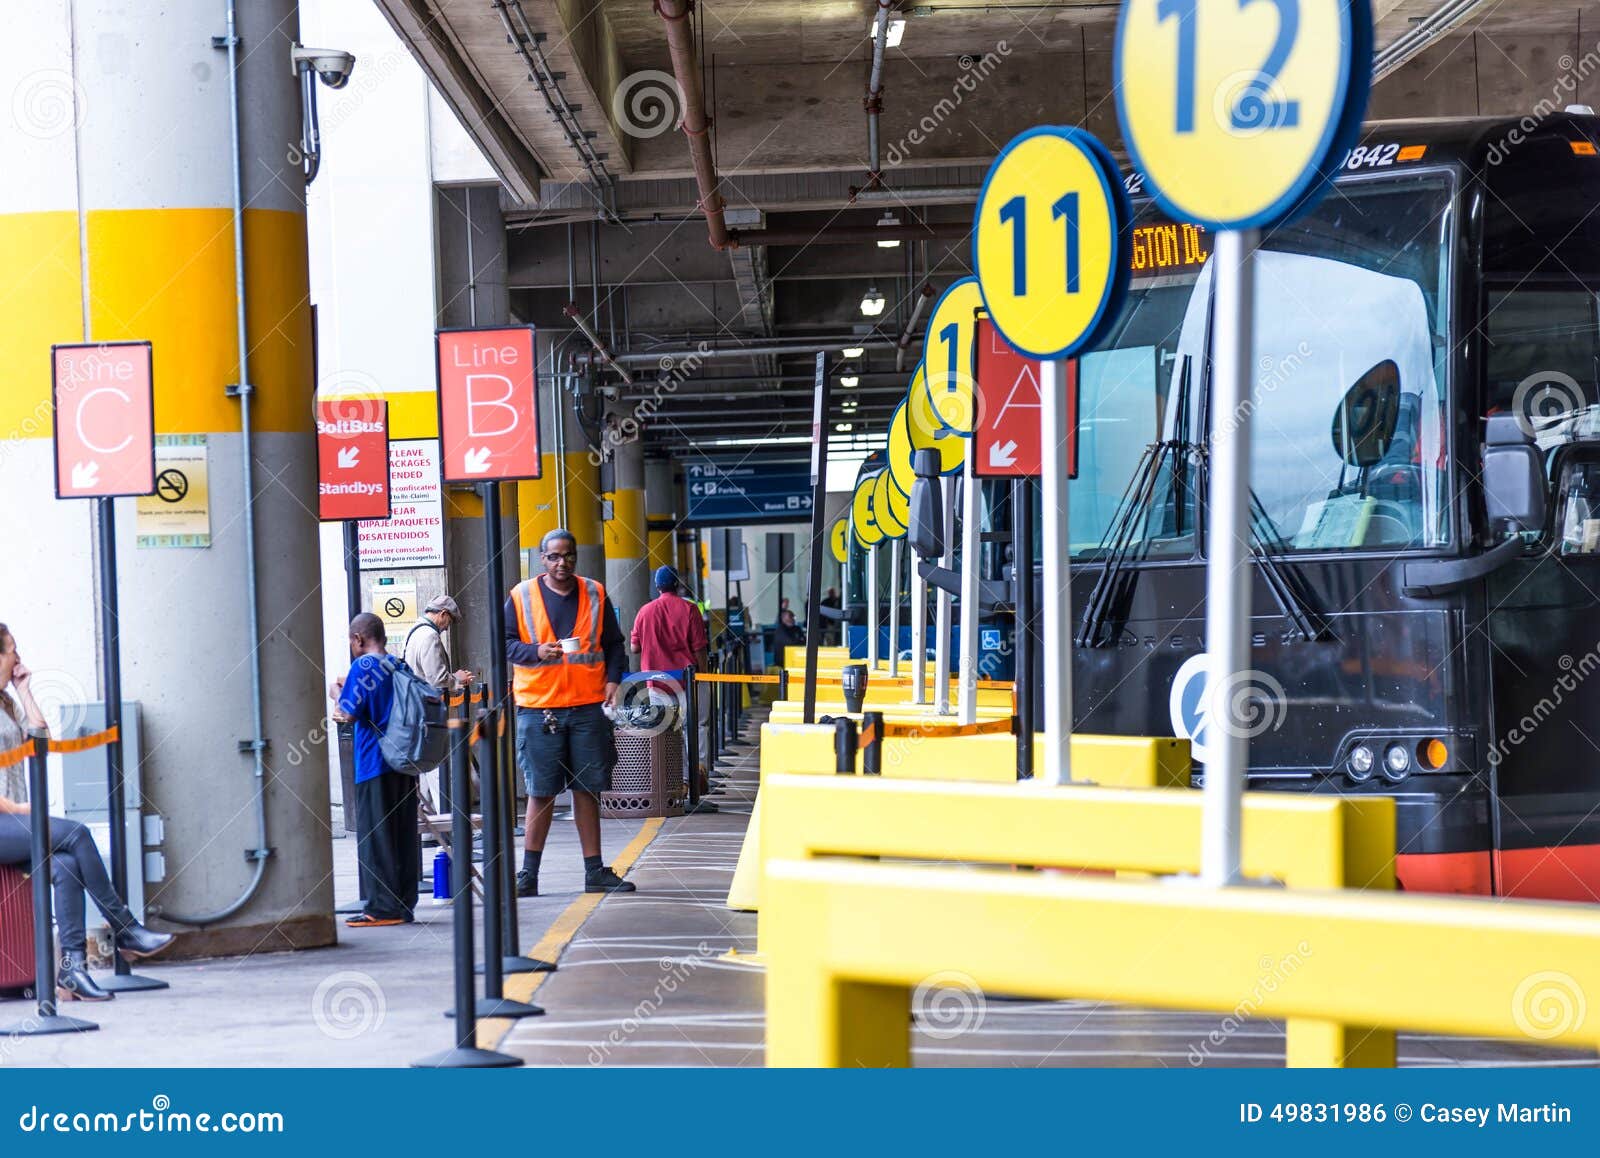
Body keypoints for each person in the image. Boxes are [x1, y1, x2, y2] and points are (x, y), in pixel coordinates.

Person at [0, 624, 173, 1002]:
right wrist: (18, 808)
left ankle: (72, 970)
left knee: (66, 864)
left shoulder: (5, 702)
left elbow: (40, 737)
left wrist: (24, 690)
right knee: (76, 833)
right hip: (4, 818)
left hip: (13, 821)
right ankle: (125, 928)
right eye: (13, 650)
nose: (19, 657)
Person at [508, 529, 636, 897]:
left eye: (568, 556)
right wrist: (534, 652)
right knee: (541, 791)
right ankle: (528, 876)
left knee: (587, 790)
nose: (561, 563)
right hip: (539, 709)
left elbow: (614, 643)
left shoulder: (595, 592)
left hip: (586, 708)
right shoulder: (521, 596)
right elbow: (505, 643)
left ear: (575, 557)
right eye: (553, 557)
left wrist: (614, 679)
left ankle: (595, 872)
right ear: (541, 558)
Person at [330, 612, 418, 928]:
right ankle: (403, 903)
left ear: (359, 639)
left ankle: (382, 908)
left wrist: (335, 693)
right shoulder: (399, 665)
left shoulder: (363, 666)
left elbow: (347, 714)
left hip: (374, 763)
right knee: (402, 834)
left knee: (376, 835)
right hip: (404, 763)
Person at [630, 566, 711, 789]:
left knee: (667, 731)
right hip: (687, 682)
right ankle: (697, 777)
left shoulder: (644, 612)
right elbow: (699, 648)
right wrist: (703, 675)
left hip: (656, 684)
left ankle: (674, 781)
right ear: (678, 584)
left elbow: (634, 647)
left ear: (657, 586)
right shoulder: (689, 609)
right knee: (696, 727)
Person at [402, 594, 473, 812]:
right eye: (449, 621)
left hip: (417, 710)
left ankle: (431, 826)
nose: (447, 626)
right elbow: (437, 678)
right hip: (429, 712)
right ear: (443, 614)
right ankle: (451, 824)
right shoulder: (429, 636)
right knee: (440, 770)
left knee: (426, 769)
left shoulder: (414, 631)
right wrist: (458, 679)